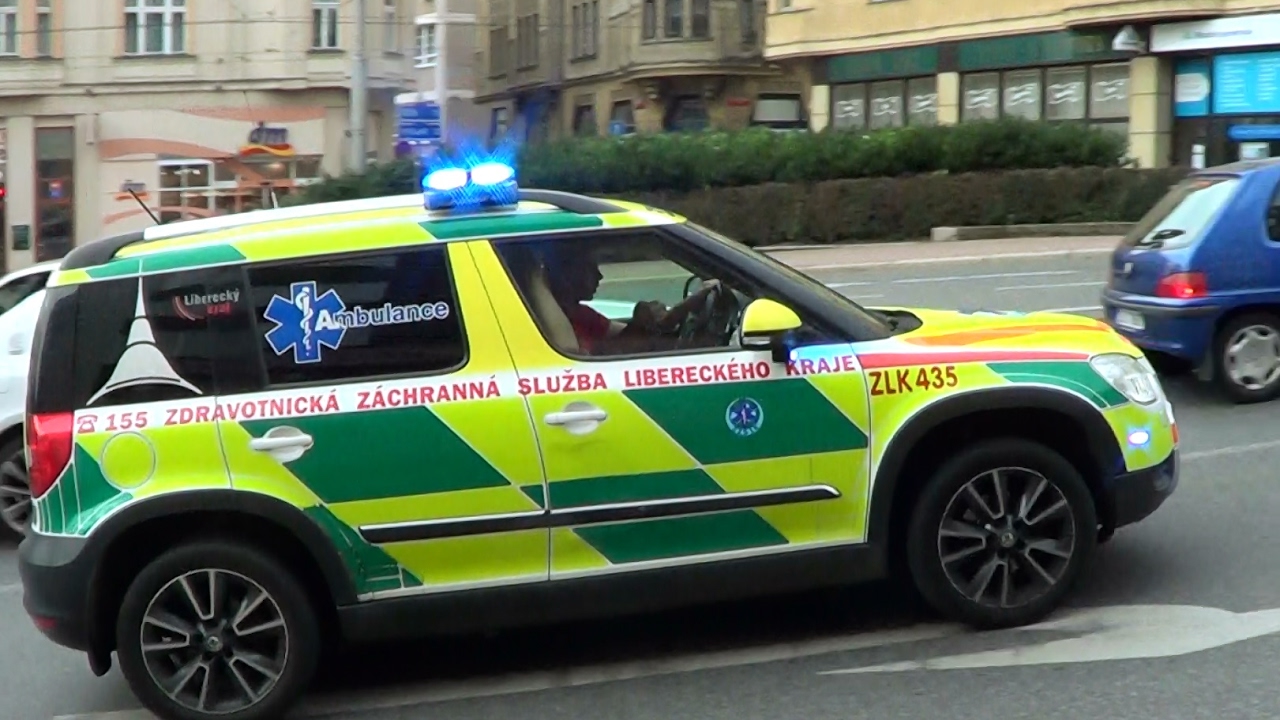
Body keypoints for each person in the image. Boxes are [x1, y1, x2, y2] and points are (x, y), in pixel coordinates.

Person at [542, 243, 721, 354]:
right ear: (567, 274)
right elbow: (603, 354)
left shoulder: (581, 314)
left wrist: (649, 319)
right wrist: (640, 323)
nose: (599, 276)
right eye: (590, 268)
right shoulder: (555, 323)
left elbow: (622, 338)